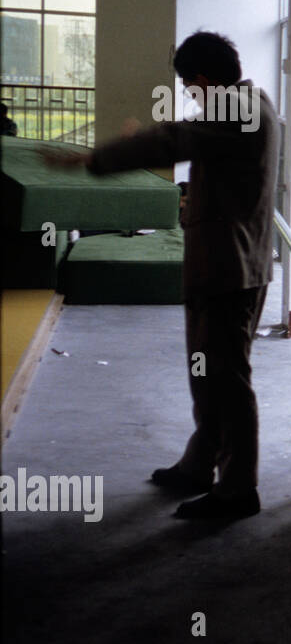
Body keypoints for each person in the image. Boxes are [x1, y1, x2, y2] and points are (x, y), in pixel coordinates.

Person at [43, 31, 278, 519]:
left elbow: (177, 139)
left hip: (228, 270)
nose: (193, 98)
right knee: (209, 373)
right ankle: (200, 464)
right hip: (227, 265)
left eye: (192, 89)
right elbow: (189, 133)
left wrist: (97, 158)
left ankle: (237, 490)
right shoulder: (247, 103)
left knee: (226, 380)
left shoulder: (239, 107)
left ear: (204, 80)